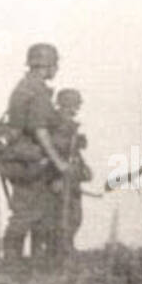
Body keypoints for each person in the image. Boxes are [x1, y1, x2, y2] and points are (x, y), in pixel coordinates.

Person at [2, 43, 70, 264]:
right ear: (46, 64)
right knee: (26, 212)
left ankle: (27, 263)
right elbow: (40, 131)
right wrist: (58, 162)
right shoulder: (36, 91)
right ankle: (12, 264)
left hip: (22, 159)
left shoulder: (24, 87)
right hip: (30, 161)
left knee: (35, 210)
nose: (56, 68)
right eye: (55, 64)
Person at [52, 89, 91, 255]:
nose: (77, 108)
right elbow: (57, 152)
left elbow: (71, 152)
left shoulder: (68, 124)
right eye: (75, 104)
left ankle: (67, 247)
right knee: (65, 215)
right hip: (62, 176)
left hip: (71, 175)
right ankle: (62, 250)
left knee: (74, 215)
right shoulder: (57, 125)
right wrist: (56, 177)